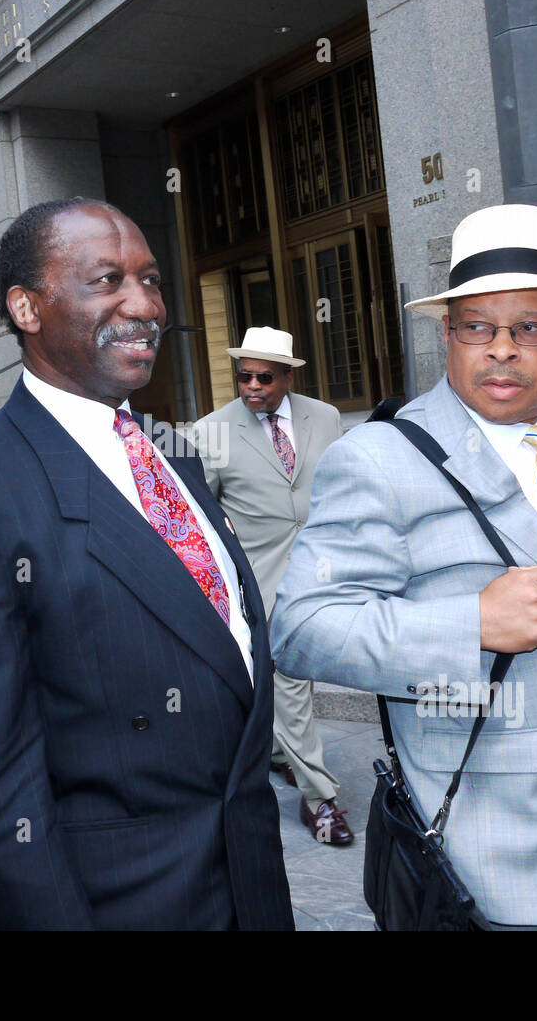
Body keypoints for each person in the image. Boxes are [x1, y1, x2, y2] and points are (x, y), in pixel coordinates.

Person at [0, 197, 294, 930]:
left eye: (151, 280)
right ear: (26, 307)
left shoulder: (173, 454)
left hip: (251, 887)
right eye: (108, 280)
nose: (144, 306)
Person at [272, 204, 537, 929]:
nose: (503, 350)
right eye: (478, 327)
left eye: (531, 327)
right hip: (497, 859)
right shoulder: (380, 457)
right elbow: (301, 628)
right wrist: (471, 623)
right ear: (448, 334)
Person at [193, 327, 351, 846]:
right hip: (263, 582)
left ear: (288, 377)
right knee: (289, 680)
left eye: (265, 377)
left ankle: (280, 753)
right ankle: (320, 798)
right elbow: (202, 516)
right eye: (245, 377)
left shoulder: (325, 417)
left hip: (329, 573)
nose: (253, 387)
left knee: (297, 680)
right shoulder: (211, 431)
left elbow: (344, 483)